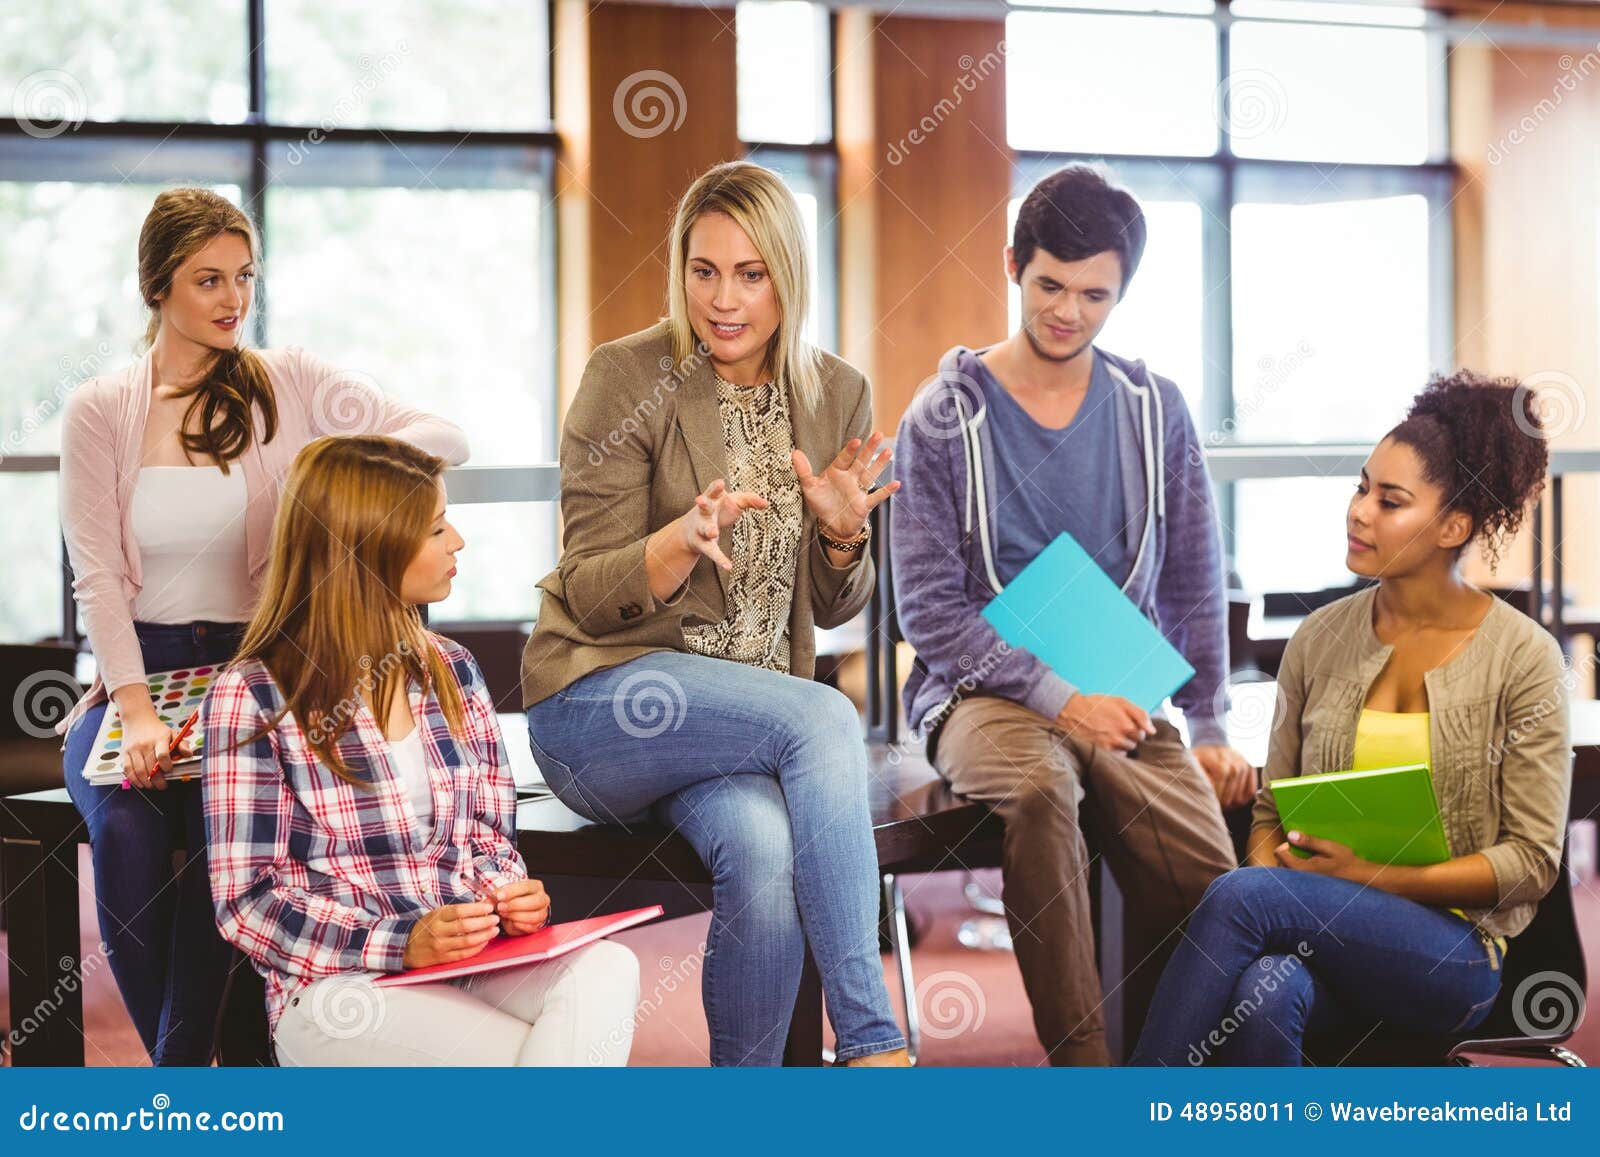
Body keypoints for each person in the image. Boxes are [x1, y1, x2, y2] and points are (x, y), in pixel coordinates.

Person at [57, 187, 468, 1065]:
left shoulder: (293, 380)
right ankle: (182, 1062)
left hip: (256, 678)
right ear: (156, 286)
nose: (231, 298)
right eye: (207, 279)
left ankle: (190, 1074)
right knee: (124, 827)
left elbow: (443, 436)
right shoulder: (100, 409)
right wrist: (134, 714)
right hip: (141, 674)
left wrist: (335, 473)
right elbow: (96, 576)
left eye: (243, 276)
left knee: (226, 832)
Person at [520, 160, 909, 1066]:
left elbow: (833, 601)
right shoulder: (627, 376)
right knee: (824, 711)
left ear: (788, 277)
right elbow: (583, 585)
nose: (723, 299)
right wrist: (671, 544)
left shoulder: (834, 393)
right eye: (704, 271)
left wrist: (844, 540)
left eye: (751, 273)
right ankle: (874, 1042)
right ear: (680, 270)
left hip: (741, 729)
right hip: (602, 706)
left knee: (766, 852)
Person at [891, 164, 1247, 1064]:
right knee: (1046, 791)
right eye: (1051, 284)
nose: (1069, 312)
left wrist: (1206, 718)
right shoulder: (941, 420)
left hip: (1114, 680)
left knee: (1215, 876)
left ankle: (1200, 1067)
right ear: (1014, 265)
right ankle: (1086, 1077)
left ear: (1121, 291)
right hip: (976, 692)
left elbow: (1196, 573)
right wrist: (1058, 698)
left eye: (1096, 294)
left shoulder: (1153, 409)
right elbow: (931, 613)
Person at [1132, 371, 1570, 1066]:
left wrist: (1365, 878)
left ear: (1454, 525)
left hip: (1452, 955)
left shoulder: (1524, 659)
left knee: (1242, 899)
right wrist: (1281, 879)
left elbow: (1531, 864)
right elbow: (1271, 810)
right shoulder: (1320, 638)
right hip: (1315, 925)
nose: (1360, 511)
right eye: (1362, 486)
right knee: (1268, 988)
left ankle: (1122, 1121)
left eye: (1390, 500)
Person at [204, 436, 640, 1066]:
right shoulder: (252, 696)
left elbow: (490, 840)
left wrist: (508, 898)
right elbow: (250, 904)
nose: (457, 540)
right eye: (435, 527)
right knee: (535, 1060)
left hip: (469, 958)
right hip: (337, 989)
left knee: (607, 969)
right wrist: (400, 943)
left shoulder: (453, 670)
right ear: (367, 548)